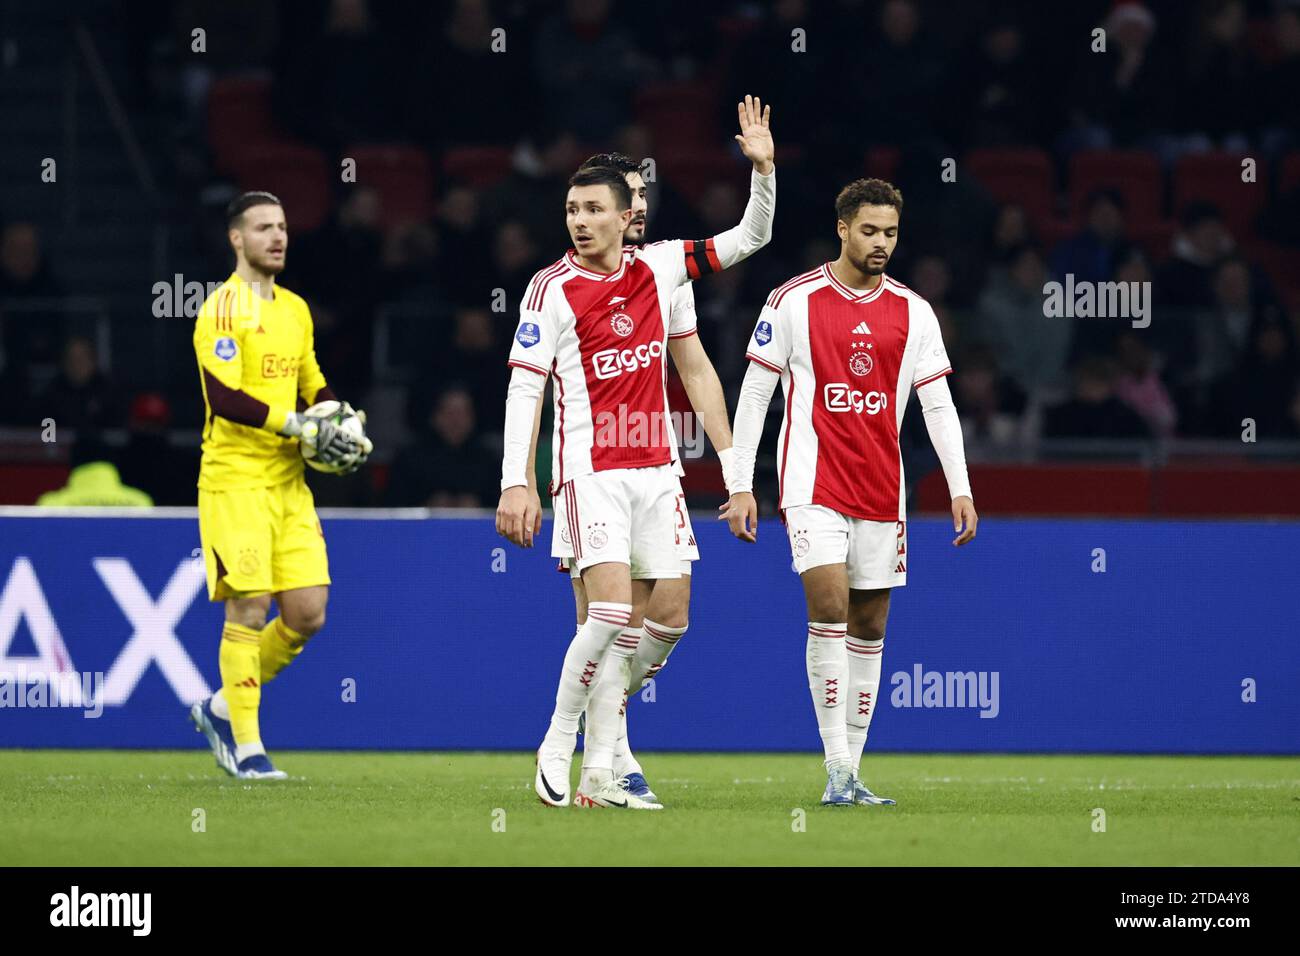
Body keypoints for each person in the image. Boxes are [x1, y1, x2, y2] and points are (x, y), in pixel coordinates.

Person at [497, 96, 776, 810]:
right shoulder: (548, 289)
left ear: (627, 216)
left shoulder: (661, 270)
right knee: (611, 617)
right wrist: (516, 483)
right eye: (571, 210)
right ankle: (563, 742)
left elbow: (747, 239)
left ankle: (607, 760)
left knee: (669, 620)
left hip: (658, 471)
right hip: (590, 471)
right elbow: (525, 391)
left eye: (595, 209)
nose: (580, 221)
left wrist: (763, 170)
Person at [723, 178, 977, 806]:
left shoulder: (914, 312)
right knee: (830, 605)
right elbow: (755, 394)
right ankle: (836, 768)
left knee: (869, 622)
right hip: (813, 483)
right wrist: (740, 482)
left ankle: (852, 774)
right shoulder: (791, 301)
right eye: (869, 230)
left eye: (891, 232)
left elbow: (938, 404)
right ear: (842, 228)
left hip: (883, 490)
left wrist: (959, 487)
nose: (882, 242)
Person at [187, 191, 372, 781]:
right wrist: (294, 422)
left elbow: (313, 382)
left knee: (308, 612)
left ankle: (219, 707)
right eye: (264, 227)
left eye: (284, 226)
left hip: (289, 483)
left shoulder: (294, 309)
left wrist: (340, 416)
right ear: (236, 240)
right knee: (249, 605)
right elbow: (222, 396)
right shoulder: (220, 309)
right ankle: (248, 748)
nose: (278, 236)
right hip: (235, 480)